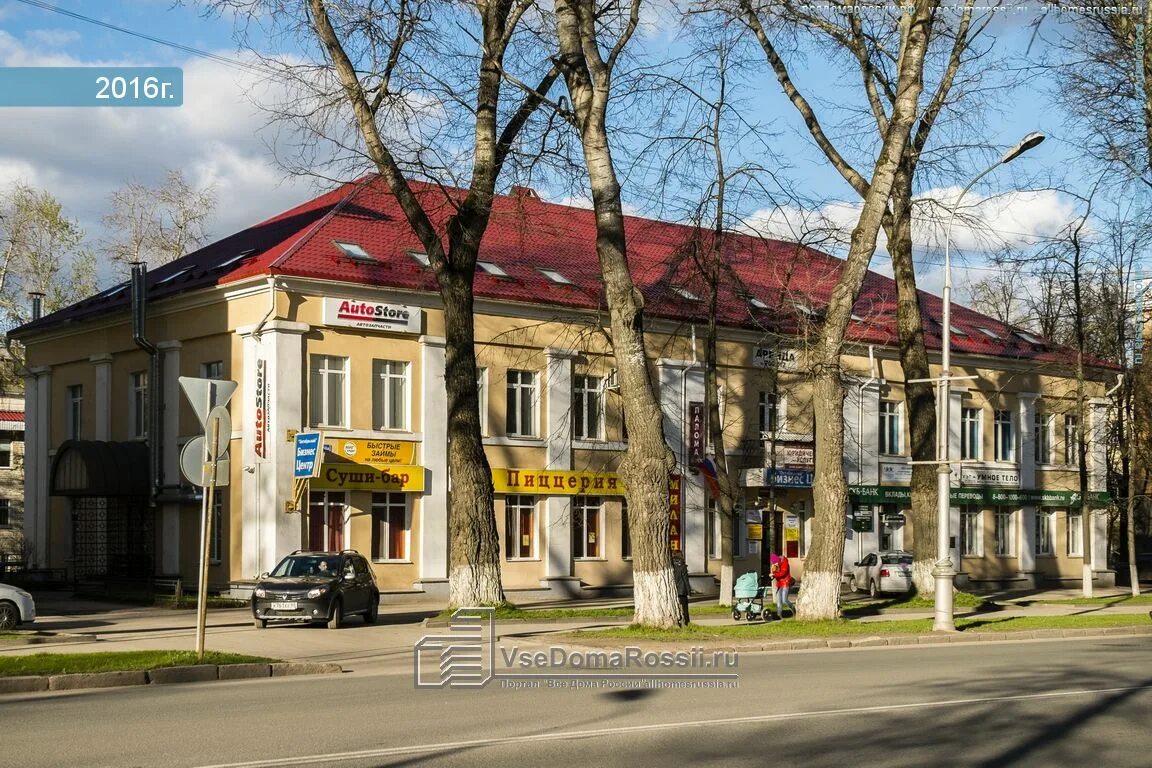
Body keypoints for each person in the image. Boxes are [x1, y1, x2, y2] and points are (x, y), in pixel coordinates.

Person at [771, 553, 793, 618]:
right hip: (779, 583)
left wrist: (775, 575)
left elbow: (783, 573)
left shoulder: (785, 562)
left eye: (776, 563)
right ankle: (779, 615)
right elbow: (775, 573)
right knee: (779, 600)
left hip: (785, 582)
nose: (775, 564)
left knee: (784, 600)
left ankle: (793, 609)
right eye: (774, 563)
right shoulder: (775, 565)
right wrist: (773, 574)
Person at [672, 550, 691, 626]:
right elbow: (685, 579)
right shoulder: (682, 566)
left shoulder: (670, 565)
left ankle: (677, 620)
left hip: (672, 590)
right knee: (685, 607)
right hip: (682, 590)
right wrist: (689, 591)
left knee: (674, 606)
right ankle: (687, 621)